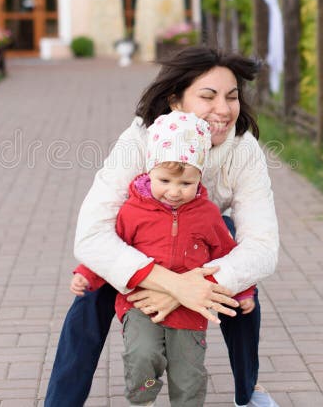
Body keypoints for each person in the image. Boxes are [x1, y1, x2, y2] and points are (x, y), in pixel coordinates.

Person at [46, 47, 280, 407]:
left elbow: (262, 248)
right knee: (92, 290)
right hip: (140, 240)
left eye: (231, 97)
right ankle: (61, 401)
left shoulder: (243, 149)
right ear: (175, 101)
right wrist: (170, 284)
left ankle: (247, 393)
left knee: (240, 276)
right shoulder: (139, 140)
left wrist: (193, 287)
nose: (223, 109)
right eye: (208, 96)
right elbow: (92, 235)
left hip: (202, 246)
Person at [71, 111, 255, 406]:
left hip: (190, 311)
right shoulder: (133, 211)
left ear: (199, 176)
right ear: (149, 172)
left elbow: (226, 253)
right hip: (140, 303)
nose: (174, 191)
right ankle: (143, 399)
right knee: (143, 355)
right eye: (165, 180)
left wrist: (244, 290)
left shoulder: (206, 214)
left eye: (185, 183)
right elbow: (111, 246)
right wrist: (86, 274)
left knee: (188, 375)